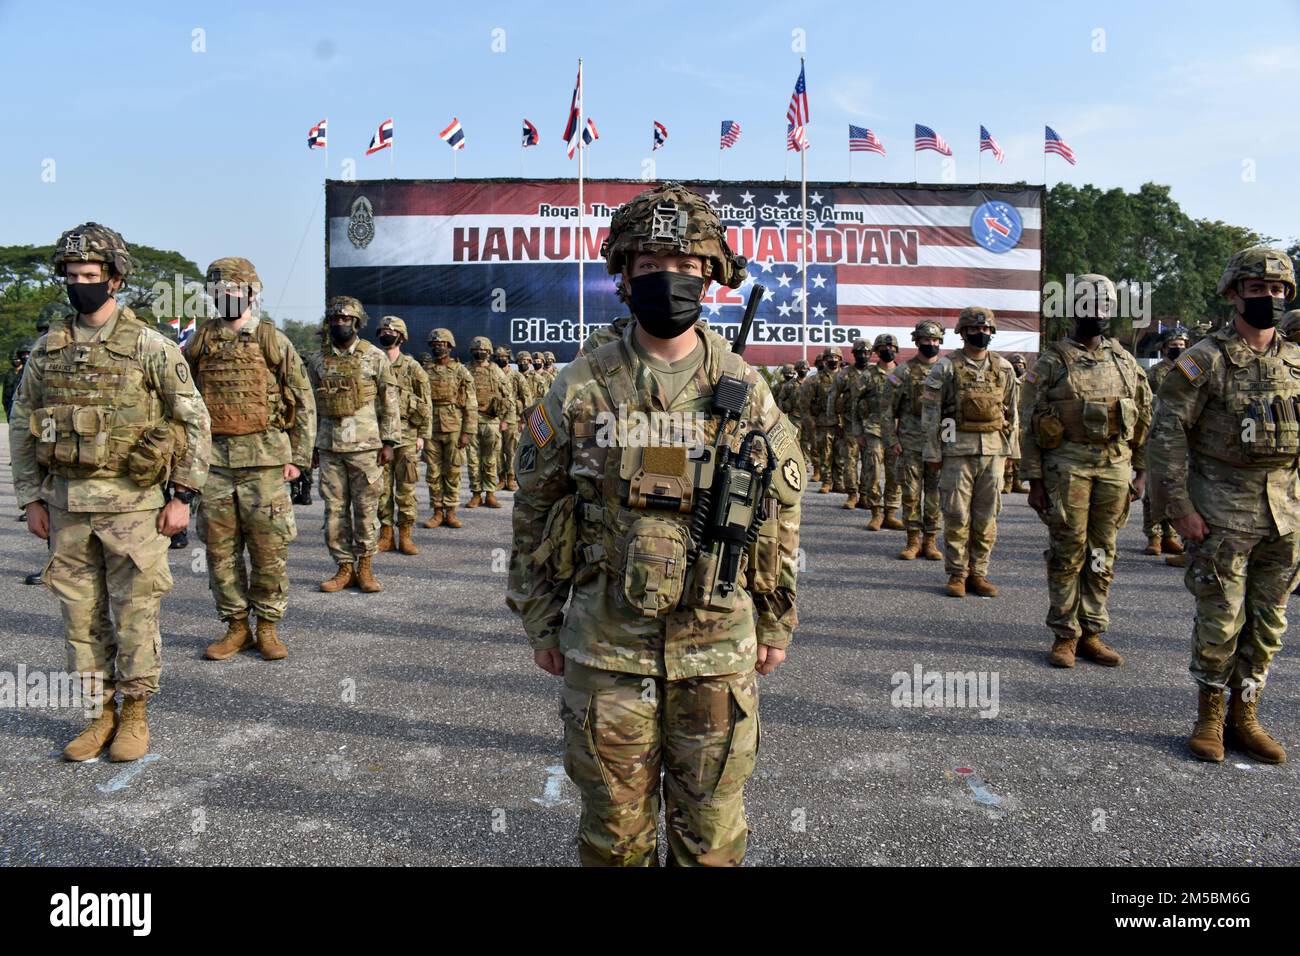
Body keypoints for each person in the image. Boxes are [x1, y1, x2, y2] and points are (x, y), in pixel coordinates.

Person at [508, 182, 803, 866]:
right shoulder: (583, 384)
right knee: (614, 832)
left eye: (683, 268)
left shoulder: (743, 387)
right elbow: (535, 504)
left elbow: (780, 513)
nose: (666, 281)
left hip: (717, 643)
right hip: (607, 646)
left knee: (711, 834)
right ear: (623, 275)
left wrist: (778, 619)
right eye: (648, 269)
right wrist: (540, 619)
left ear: (711, 278)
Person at [9, 222, 211, 761]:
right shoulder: (47, 351)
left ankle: (136, 717)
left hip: (134, 508)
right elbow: (22, 420)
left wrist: (181, 497)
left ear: (115, 280)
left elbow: (193, 421)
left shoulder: (149, 346)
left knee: (134, 616)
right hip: (67, 508)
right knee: (80, 620)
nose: (80, 284)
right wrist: (30, 497)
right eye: (72, 276)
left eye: (91, 275)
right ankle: (98, 716)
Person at [1148, 246, 1300, 765]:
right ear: (1234, 294)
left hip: (1286, 514)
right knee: (1221, 622)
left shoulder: (1297, 360)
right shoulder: (1203, 361)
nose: (1270, 298)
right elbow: (1167, 437)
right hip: (1221, 510)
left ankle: (1246, 717)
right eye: (1258, 289)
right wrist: (1179, 509)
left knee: (1270, 624)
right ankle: (1209, 719)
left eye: (1279, 290)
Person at [185, 257, 316, 661]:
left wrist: (299, 457)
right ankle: (236, 626)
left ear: (251, 293)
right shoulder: (199, 341)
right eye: (218, 291)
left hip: (264, 463)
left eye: (234, 291)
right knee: (220, 551)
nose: (226, 297)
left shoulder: (272, 339)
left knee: (268, 549)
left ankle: (268, 626)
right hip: (215, 465)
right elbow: (182, 399)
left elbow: (303, 397)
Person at [1019, 274, 1152, 668]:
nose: (1099, 311)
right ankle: (1065, 634)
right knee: (1068, 550)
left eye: (1106, 304)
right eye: (1090, 304)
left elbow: (1145, 416)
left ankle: (1092, 630)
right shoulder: (1052, 361)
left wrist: (1141, 471)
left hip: (1114, 466)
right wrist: (1034, 480)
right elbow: (1027, 422)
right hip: (1068, 466)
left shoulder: (1124, 360)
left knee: (1102, 551)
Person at [922, 306, 1018, 598]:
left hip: (993, 451)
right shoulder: (946, 367)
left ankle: (979, 572)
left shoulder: (1004, 367)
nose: (982, 333)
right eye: (975, 329)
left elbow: (1013, 412)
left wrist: (1012, 450)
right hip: (957, 450)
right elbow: (933, 412)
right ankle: (957, 573)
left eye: (987, 329)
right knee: (955, 514)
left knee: (987, 515)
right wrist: (934, 452)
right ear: (963, 332)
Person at [308, 296, 399, 593]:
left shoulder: (374, 356)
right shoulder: (318, 360)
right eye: (334, 319)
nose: (339, 323)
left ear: (357, 322)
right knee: (334, 512)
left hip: (365, 446)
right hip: (330, 447)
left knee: (366, 509)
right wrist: (309, 447)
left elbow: (389, 401)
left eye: (345, 319)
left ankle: (365, 567)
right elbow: (309, 405)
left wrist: (389, 442)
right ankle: (343, 567)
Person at [884, 321, 945, 559]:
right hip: (910, 442)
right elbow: (887, 410)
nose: (931, 344)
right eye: (926, 340)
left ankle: (930, 541)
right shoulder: (903, 372)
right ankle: (912, 541)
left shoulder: (947, 370)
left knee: (935, 494)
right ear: (917, 341)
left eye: (935, 340)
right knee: (911, 493)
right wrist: (892, 440)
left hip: (938, 444)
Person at [373, 316, 431, 555]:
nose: (387, 333)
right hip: (377, 436)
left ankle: (405, 535)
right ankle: (386, 535)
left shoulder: (412, 367)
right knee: (381, 489)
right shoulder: (372, 362)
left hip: (406, 435)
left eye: (392, 330)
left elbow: (426, 403)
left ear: (402, 337)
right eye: (384, 330)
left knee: (406, 488)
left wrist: (422, 436)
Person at [1140, 327, 1190, 556]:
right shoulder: (1154, 374)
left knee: (1179, 489)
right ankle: (1154, 535)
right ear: (1163, 348)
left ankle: (1171, 535)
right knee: (1154, 489)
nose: (1178, 348)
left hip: (1184, 437)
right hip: (1158, 435)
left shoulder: (1192, 370)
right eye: (1173, 345)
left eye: (1181, 344)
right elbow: (1143, 404)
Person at [420, 329, 476, 528]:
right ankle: (437, 511)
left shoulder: (461, 371)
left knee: (452, 471)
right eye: (434, 344)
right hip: (430, 427)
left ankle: (451, 511)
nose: (438, 347)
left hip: (454, 426)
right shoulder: (424, 371)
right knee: (433, 472)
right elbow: (419, 401)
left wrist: (467, 432)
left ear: (450, 346)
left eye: (442, 344)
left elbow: (470, 403)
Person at [856, 334, 904, 528]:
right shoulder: (867, 375)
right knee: (873, 471)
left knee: (895, 473)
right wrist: (857, 431)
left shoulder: (903, 373)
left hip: (898, 430)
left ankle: (891, 512)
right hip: (874, 429)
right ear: (876, 351)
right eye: (883, 347)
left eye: (891, 346)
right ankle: (876, 512)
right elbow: (854, 403)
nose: (888, 350)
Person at [463, 336, 511, 509]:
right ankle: (476, 494)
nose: (479, 352)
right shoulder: (466, 370)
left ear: (489, 352)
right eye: (476, 350)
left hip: (491, 421)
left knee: (491, 459)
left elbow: (507, 396)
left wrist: (505, 419)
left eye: (483, 350)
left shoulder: (496, 371)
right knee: (473, 460)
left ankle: (490, 493)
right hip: (471, 421)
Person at [810, 348, 841, 492]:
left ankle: (839, 482)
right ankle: (827, 481)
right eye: (829, 357)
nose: (833, 360)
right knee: (826, 453)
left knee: (841, 454)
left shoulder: (846, 376)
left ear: (840, 358)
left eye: (835, 357)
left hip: (843, 423)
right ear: (824, 360)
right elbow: (806, 402)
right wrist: (811, 420)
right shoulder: (816, 379)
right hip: (824, 422)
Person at [497, 346, 523, 492]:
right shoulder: (493, 373)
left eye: (504, 357)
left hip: (512, 418)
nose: (501, 359)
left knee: (511, 450)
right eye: (499, 357)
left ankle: (511, 478)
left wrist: (523, 420)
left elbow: (526, 397)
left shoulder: (516, 376)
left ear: (508, 359)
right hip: (495, 417)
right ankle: (501, 478)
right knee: (497, 451)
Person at [1002, 354, 1029, 493]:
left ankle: (1018, 482)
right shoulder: (1007, 380)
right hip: (1010, 421)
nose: (1018, 367)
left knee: (1020, 454)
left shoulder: (1029, 382)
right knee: (1009, 451)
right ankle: (1007, 482)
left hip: (1024, 423)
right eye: (1015, 365)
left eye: (1021, 365)